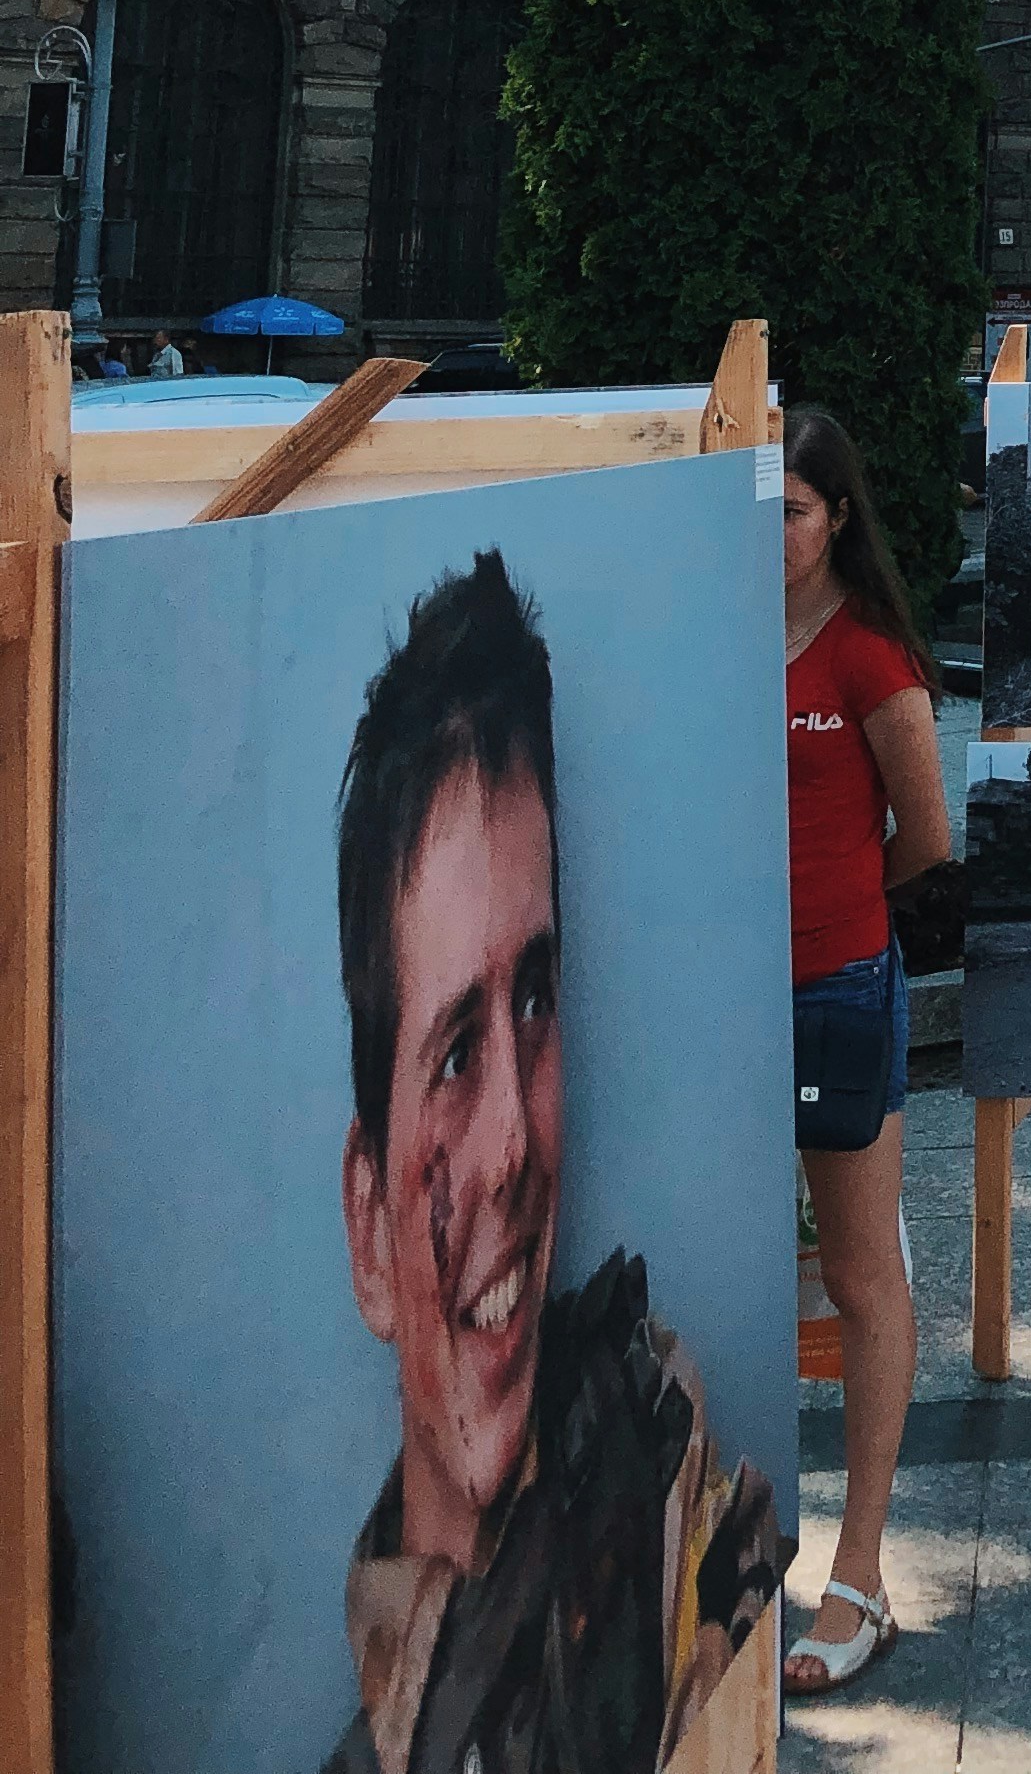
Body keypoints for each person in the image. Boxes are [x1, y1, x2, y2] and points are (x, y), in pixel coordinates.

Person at [327, 552, 782, 1773]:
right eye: (458, 1050)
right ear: (370, 1230)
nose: (519, 1144)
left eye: (535, 1003)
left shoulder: (675, 1488)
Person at [782, 406, 953, 1700]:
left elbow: (926, 841)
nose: (768, 538)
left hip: (838, 988)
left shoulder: (870, 660)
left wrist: (843, 907)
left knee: (860, 1276)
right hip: (715, 1001)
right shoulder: (718, 637)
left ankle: (859, 1575)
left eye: (788, 511)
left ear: (837, 515)